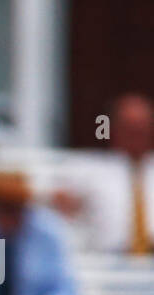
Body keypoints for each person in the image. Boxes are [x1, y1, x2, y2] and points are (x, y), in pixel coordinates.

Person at [56, 94, 154, 256]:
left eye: (141, 128)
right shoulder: (89, 168)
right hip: (106, 264)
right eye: (129, 128)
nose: (136, 134)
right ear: (114, 129)